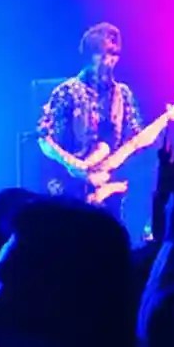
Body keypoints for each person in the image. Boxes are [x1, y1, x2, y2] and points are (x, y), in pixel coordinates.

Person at [36, 22, 143, 218]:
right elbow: (45, 139)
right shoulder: (67, 92)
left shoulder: (123, 94)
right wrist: (74, 165)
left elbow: (135, 139)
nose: (109, 61)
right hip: (70, 188)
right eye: (103, 55)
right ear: (89, 56)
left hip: (109, 187)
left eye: (114, 55)